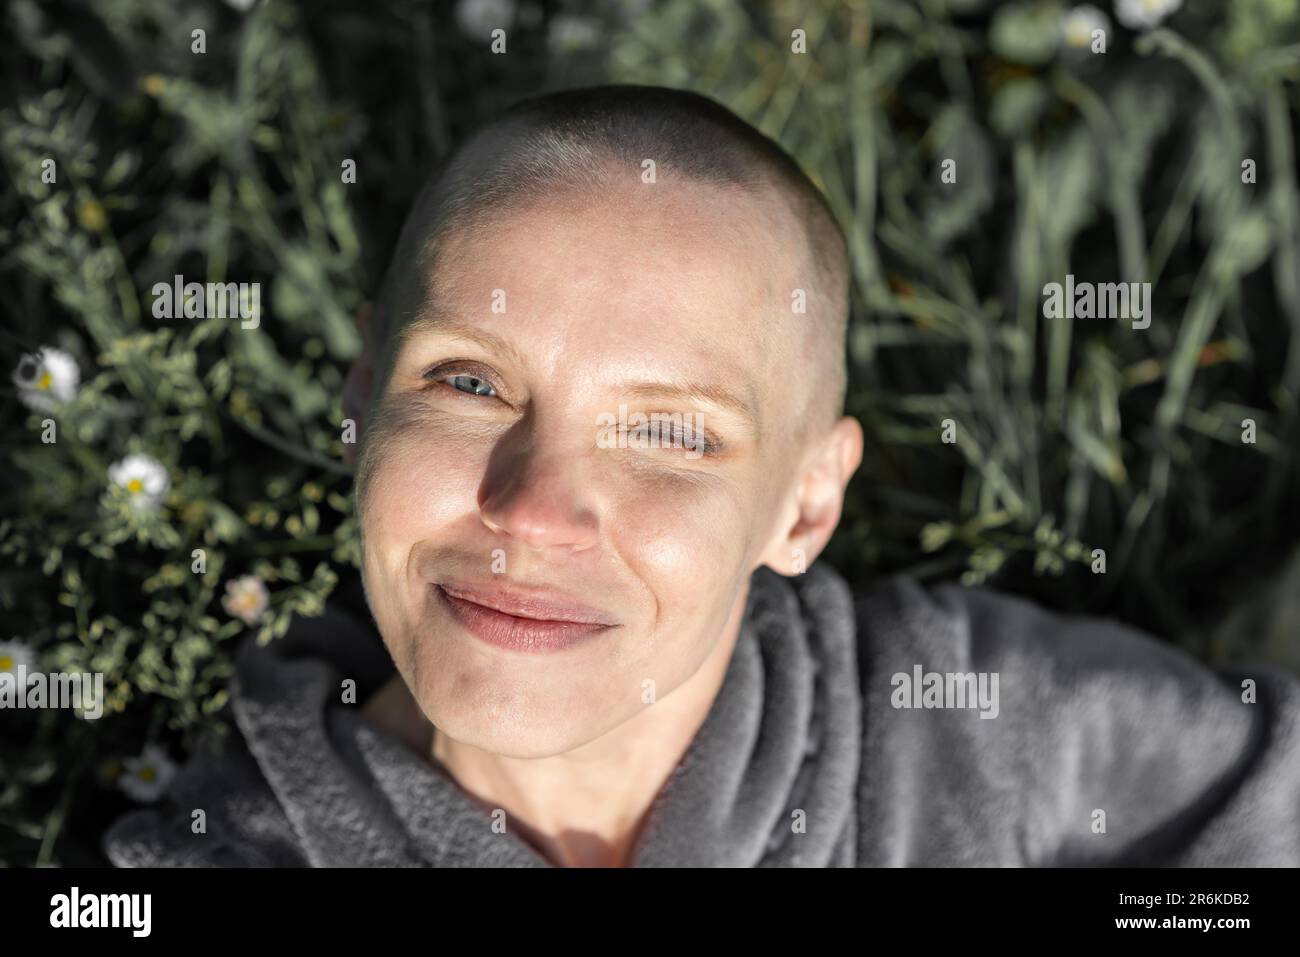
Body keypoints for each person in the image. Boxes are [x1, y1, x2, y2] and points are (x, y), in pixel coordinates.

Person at [103, 85, 1300, 868]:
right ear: (364, 397)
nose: (531, 512)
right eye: (469, 384)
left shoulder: (960, 732)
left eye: (670, 434)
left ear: (806, 503)